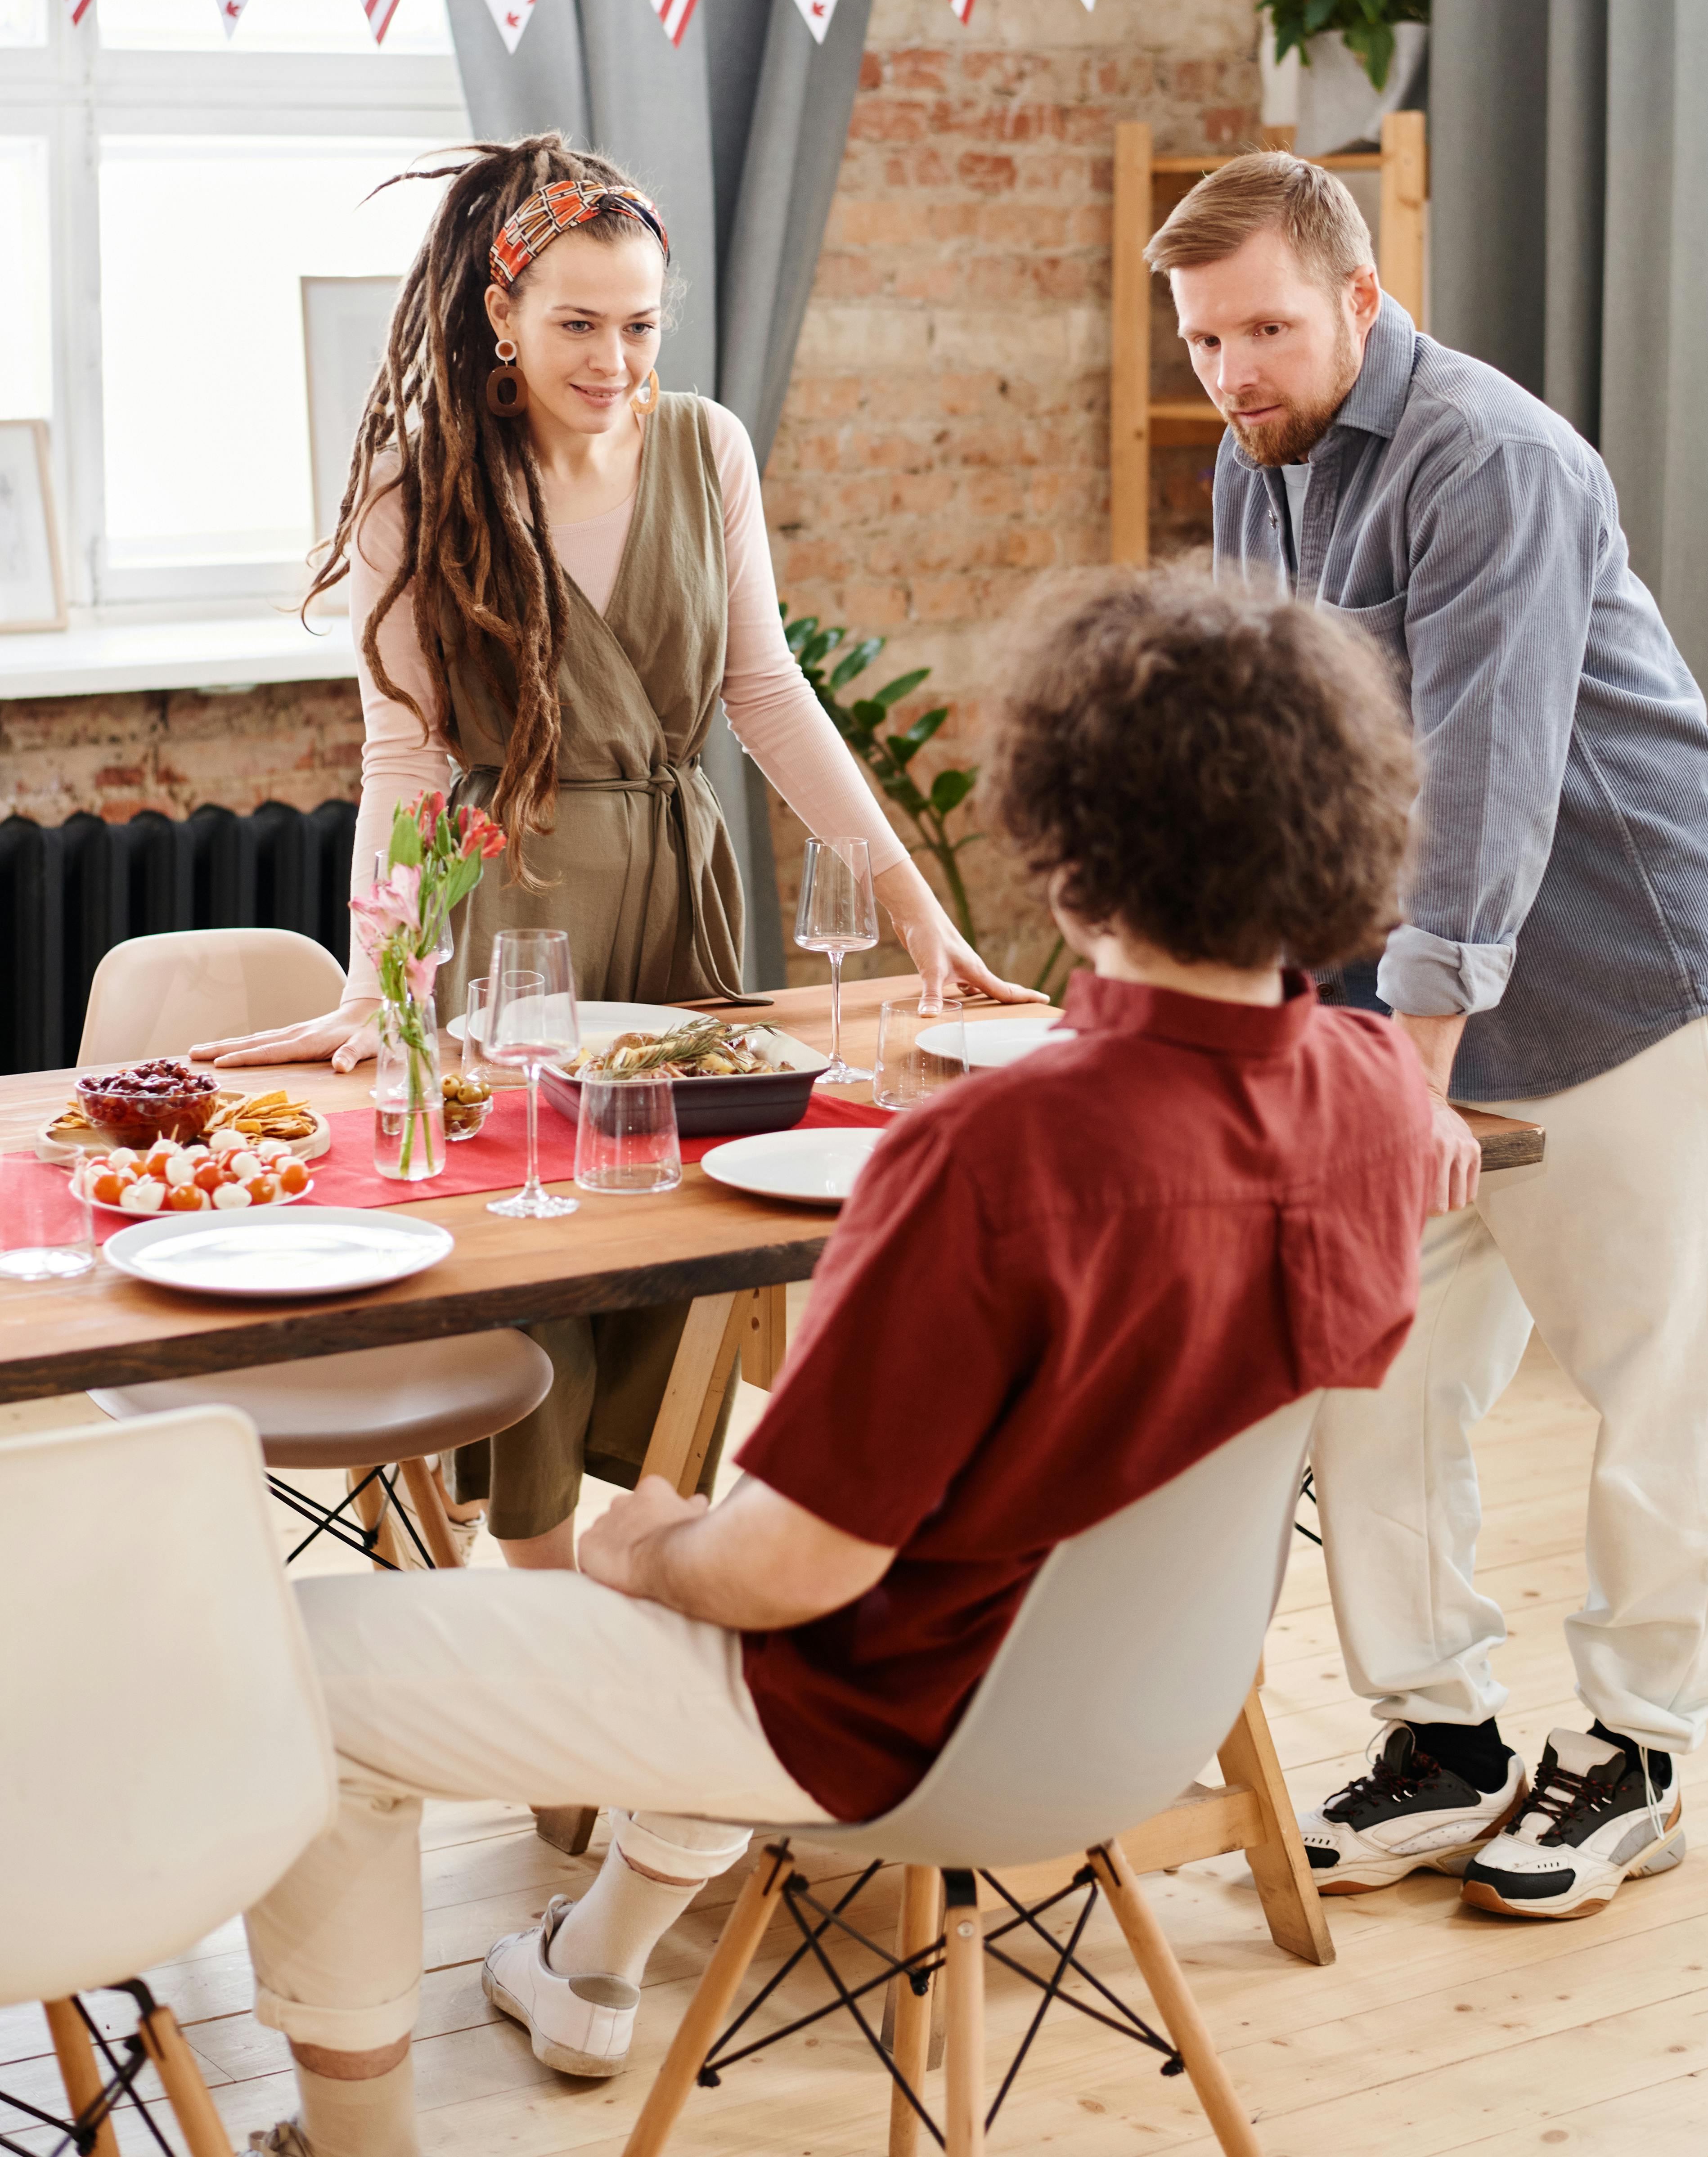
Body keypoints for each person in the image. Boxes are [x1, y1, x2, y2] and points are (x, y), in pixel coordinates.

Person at [241, 567, 1433, 2157]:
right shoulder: (1376, 1096)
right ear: (1339, 832)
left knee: (305, 1664)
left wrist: (649, 1554)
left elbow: (790, 1578)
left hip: (882, 1716)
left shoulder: (995, 1158)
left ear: (1069, 843)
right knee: (736, 1531)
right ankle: (590, 1963)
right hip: (1146, 1713)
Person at [194, 136, 1032, 1567]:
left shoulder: (707, 447)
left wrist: (915, 912)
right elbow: (404, 756)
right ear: (501, 314)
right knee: (532, 1255)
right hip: (514, 908)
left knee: (681, 1229)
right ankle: (541, 1596)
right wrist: (378, 984)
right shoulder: (420, 487)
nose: (612, 360)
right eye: (577, 324)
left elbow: (765, 692)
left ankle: (642, 1559)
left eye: (639, 326)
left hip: (679, 888)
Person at [1149, 148, 1708, 1922]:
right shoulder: (1253, 464)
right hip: (1405, 1010)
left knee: (1655, 1386)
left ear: (1362, 299)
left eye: (1265, 331)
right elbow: (1285, 759)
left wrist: (1399, 1069)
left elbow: (1482, 781)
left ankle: (1636, 1756)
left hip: (1631, 984)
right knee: (1369, 1374)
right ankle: (1438, 1739)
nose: (1231, 373)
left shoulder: (1488, 460)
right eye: (1203, 341)